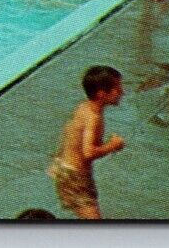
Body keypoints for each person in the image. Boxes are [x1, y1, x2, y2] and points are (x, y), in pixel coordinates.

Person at [48, 65, 125, 220]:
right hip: (75, 177)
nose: (122, 92)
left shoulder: (83, 107)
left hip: (67, 170)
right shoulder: (94, 118)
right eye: (117, 89)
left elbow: (69, 132)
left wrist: (59, 161)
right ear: (102, 94)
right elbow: (88, 151)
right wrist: (113, 145)